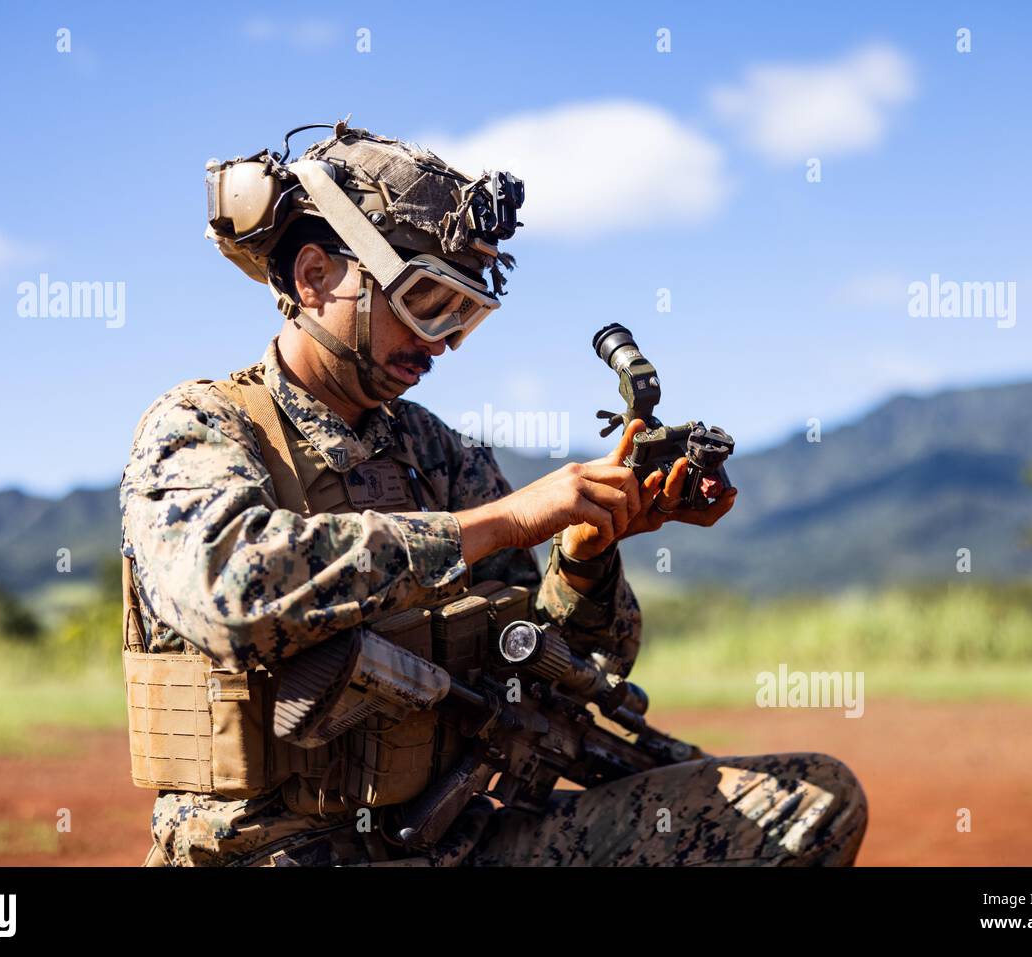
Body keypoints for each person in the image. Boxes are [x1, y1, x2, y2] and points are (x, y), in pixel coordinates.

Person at [119, 119, 867, 866]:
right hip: (263, 855)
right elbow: (231, 594)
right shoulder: (199, 427)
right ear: (315, 276)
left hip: (450, 845)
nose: (441, 344)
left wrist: (583, 556)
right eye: (425, 302)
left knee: (811, 804)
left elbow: (568, 670)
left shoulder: (436, 454)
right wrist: (497, 524)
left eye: (464, 318)